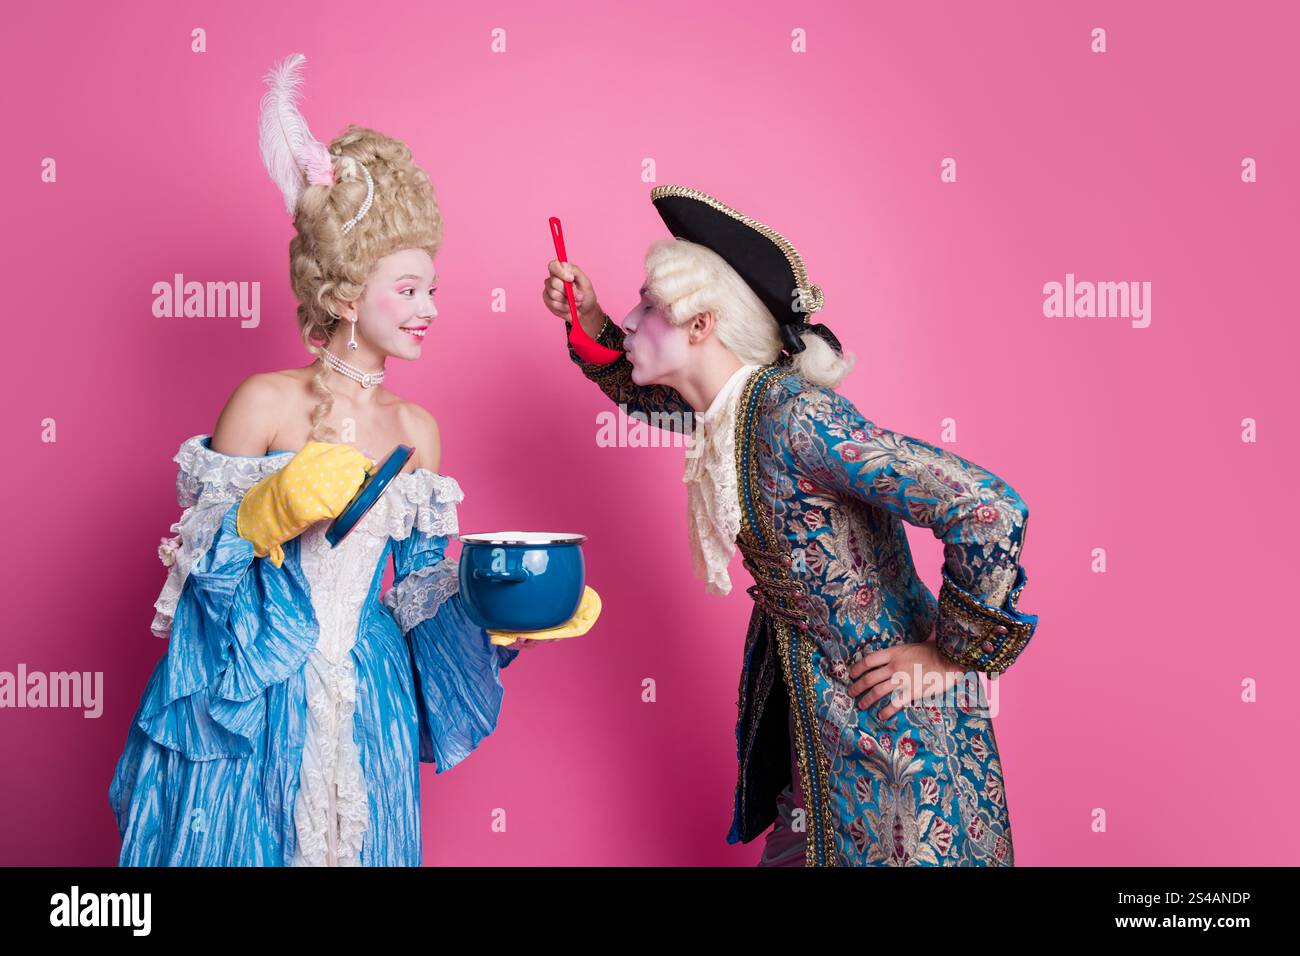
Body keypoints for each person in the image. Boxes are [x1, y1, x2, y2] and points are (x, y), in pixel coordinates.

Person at [108, 53, 580, 866]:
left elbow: (420, 598)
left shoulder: (418, 432)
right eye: (408, 289)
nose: (429, 310)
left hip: (374, 699)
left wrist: (496, 619)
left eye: (433, 290)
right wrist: (263, 513)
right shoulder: (263, 402)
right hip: (259, 693)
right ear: (343, 296)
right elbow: (197, 587)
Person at [540, 184, 1039, 866]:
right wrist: (590, 315)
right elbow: (646, 392)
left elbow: (987, 508)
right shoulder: (735, 416)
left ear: (700, 326)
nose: (630, 320)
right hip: (822, 739)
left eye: (647, 307)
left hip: (898, 746)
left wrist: (949, 654)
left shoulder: (796, 417)